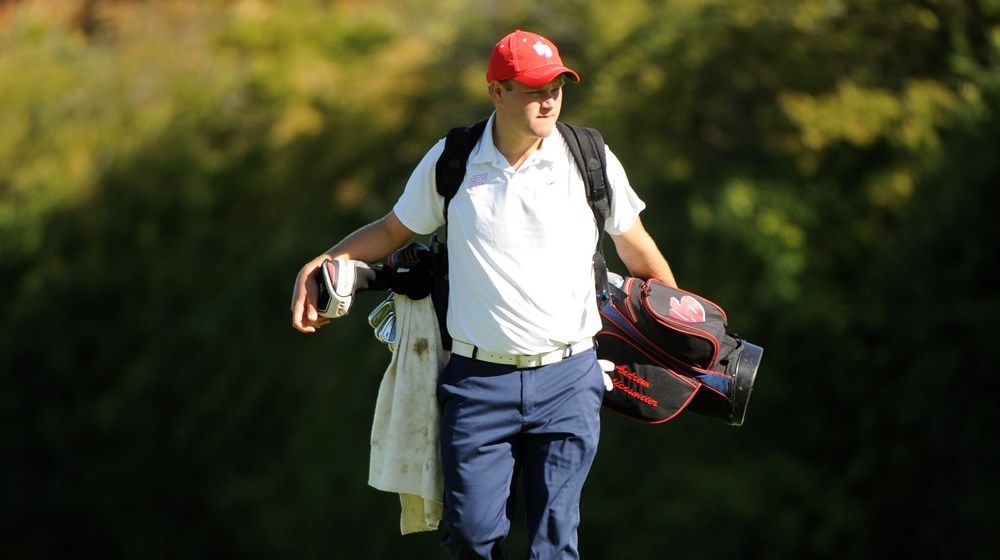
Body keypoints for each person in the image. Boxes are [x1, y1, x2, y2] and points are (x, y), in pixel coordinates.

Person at [291, 29, 677, 559]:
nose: (549, 100)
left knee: (554, 545)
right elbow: (389, 232)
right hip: (478, 383)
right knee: (472, 539)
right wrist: (323, 261)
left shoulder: (590, 158)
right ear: (496, 91)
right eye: (533, 87)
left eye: (557, 87)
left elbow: (639, 253)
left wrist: (678, 334)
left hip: (570, 379)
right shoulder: (454, 160)